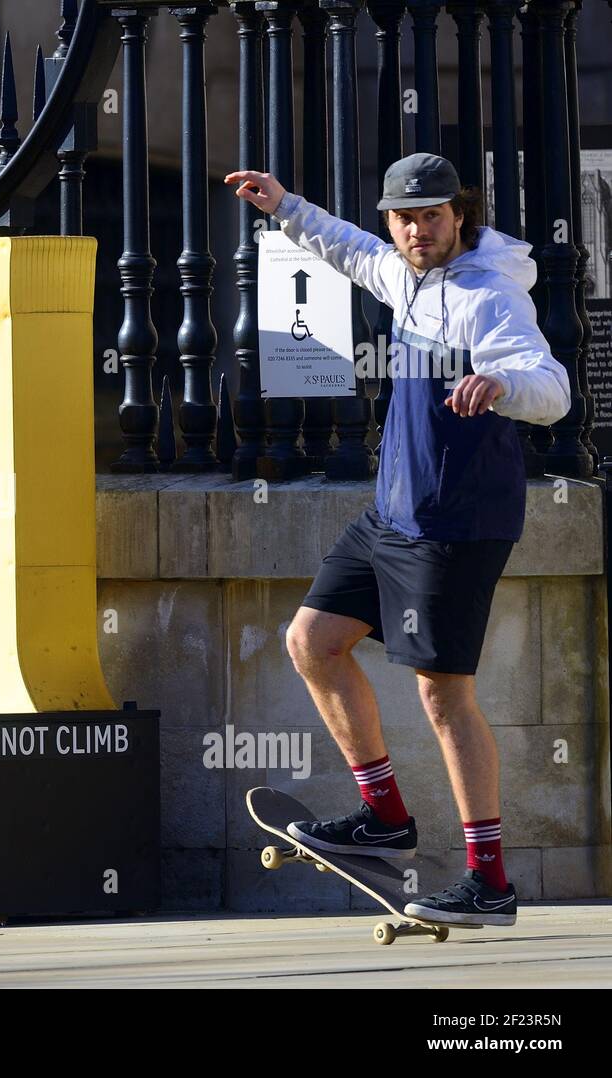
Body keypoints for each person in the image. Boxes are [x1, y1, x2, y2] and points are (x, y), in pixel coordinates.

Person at [224, 152, 571, 927]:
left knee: (443, 697)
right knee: (312, 641)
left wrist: (504, 385)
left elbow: (553, 389)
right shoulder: (402, 272)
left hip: (456, 524)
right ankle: (384, 815)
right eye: (405, 218)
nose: (418, 231)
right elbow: (347, 249)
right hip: (390, 515)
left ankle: (489, 882)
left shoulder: (491, 299)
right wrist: (284, 204)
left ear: (461, 216)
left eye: (433, 216)